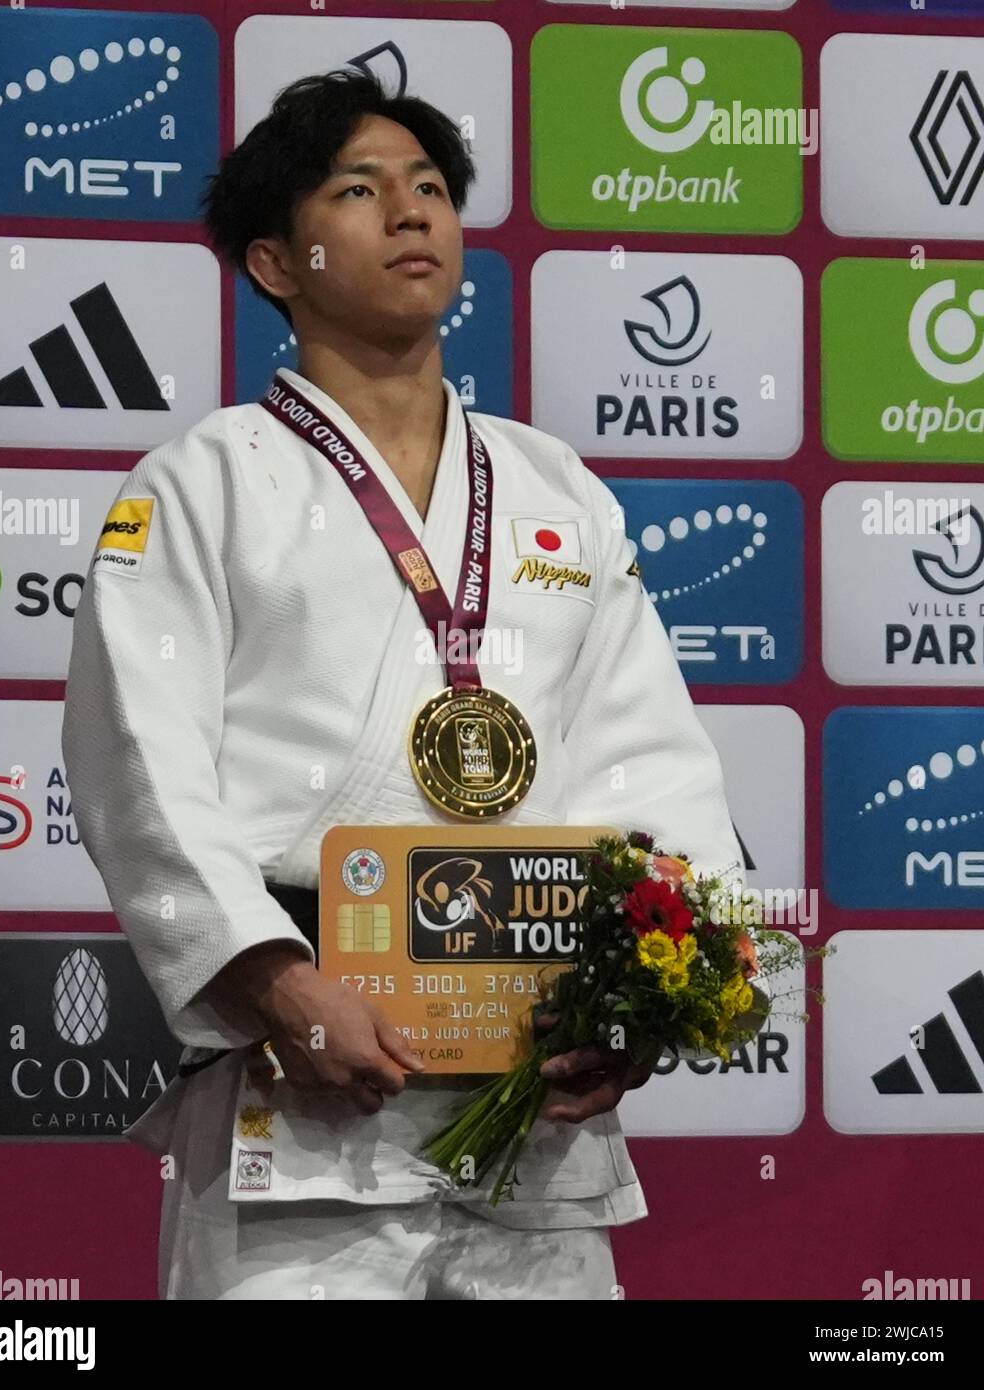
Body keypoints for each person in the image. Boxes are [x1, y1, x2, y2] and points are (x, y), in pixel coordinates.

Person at [62, 68, 743, 1301]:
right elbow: (137, 766)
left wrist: (643, 996)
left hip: (535, 1107)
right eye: (361, 190)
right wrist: (271, 982)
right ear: (276, 263)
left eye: (431, 187)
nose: (413, 212)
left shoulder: (556, 493)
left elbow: (649, 757)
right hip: (305, 1107)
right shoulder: (200, 484)